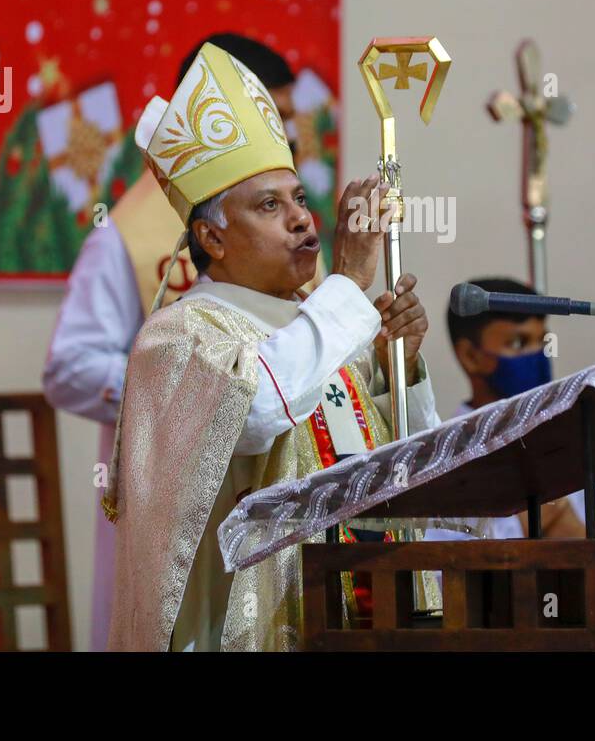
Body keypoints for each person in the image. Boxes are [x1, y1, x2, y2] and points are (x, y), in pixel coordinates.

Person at [102, 41, 442, 651]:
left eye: (300, 200)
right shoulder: (178, 337)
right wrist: (350, 284)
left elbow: (402, 466)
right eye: (269, 205)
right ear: (213, 235)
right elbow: (256, 411)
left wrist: (400, 366)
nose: (302, 220)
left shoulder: (321, 325)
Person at [41, 34, 302, 651]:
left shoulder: (278, 223)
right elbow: (67, 366)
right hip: (168, 486)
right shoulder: (127, 236)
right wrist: (180, 394)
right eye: (282, 115)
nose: (295, 133)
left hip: (274, 486)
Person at [446, 276, 595, 539]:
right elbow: (441, 572)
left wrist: (558, 517)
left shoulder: (572, 449)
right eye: (518, 343)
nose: (537, 355)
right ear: (471, 356)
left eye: (542, 343)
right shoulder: (448, 459)